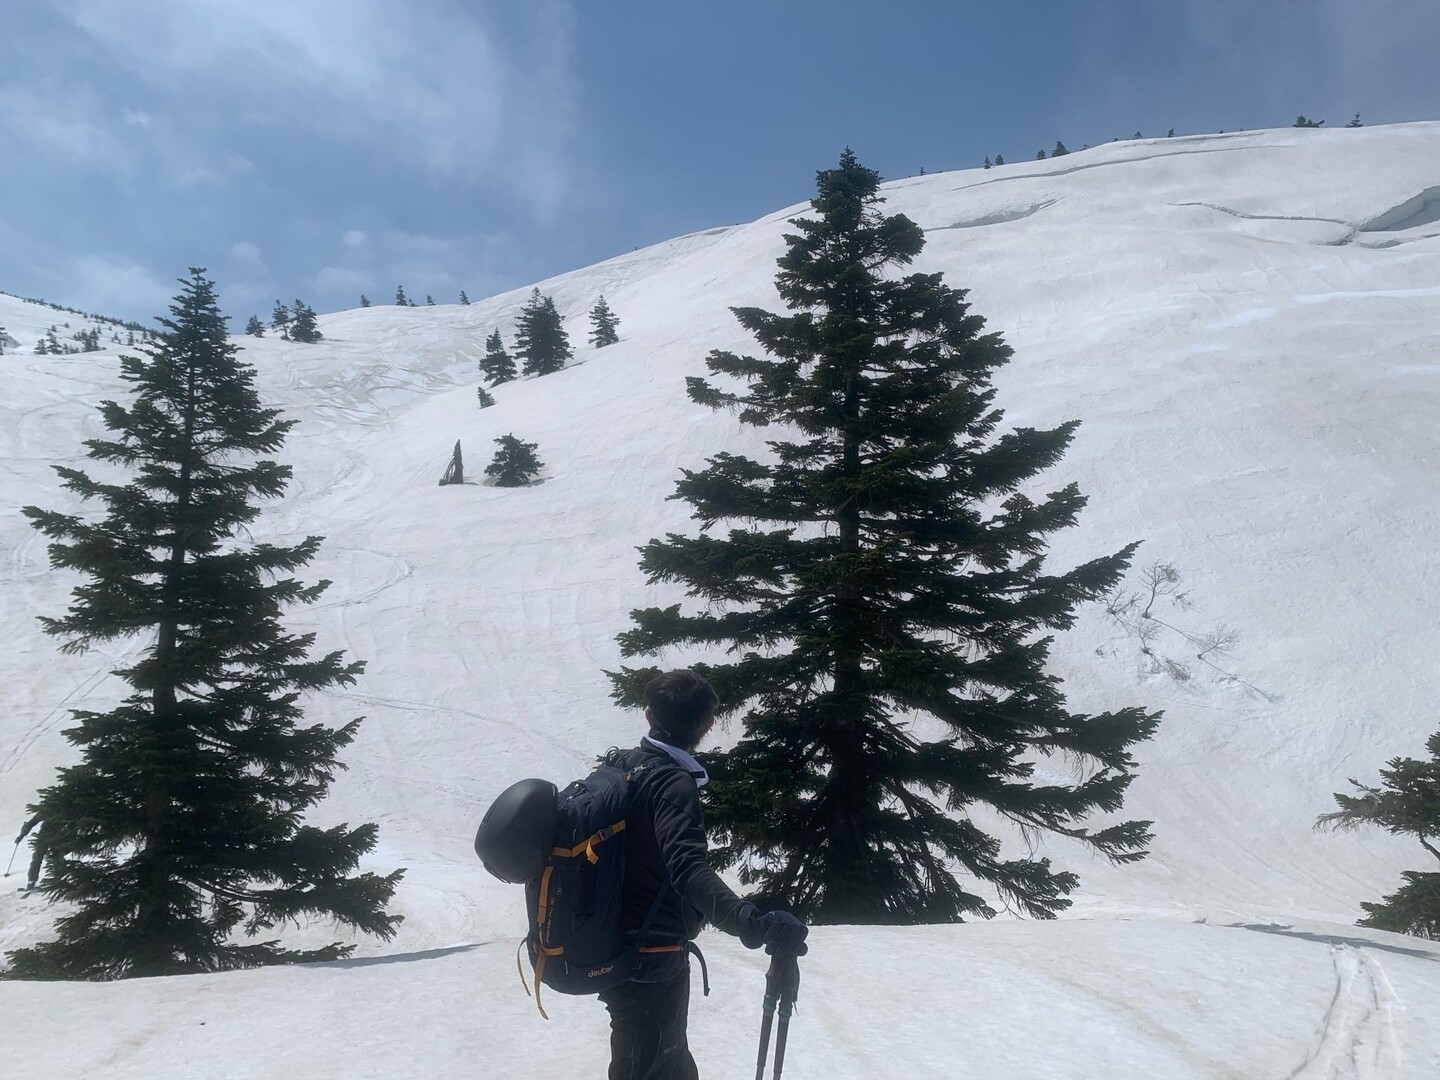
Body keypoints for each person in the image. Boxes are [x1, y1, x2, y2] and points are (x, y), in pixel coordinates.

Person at [601, 669, 808, 1080]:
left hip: (613, 946)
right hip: (651, 956)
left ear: (648, 716)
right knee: (658, 1064)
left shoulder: (624, 766)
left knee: (645, 1059)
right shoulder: (673, 783)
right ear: (707, 723)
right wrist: (751, 922)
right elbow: (687, 868)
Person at [16, 814, 48, 891]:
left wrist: (22, 835)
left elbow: (32, 821)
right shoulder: (48, 808)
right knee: (37, 857)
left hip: (49, 836)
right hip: (46, 836)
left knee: (38, 857)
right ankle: (31, 882)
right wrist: (21, 835)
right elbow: (33, 821)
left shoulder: (48, 808)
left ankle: (32, 882)